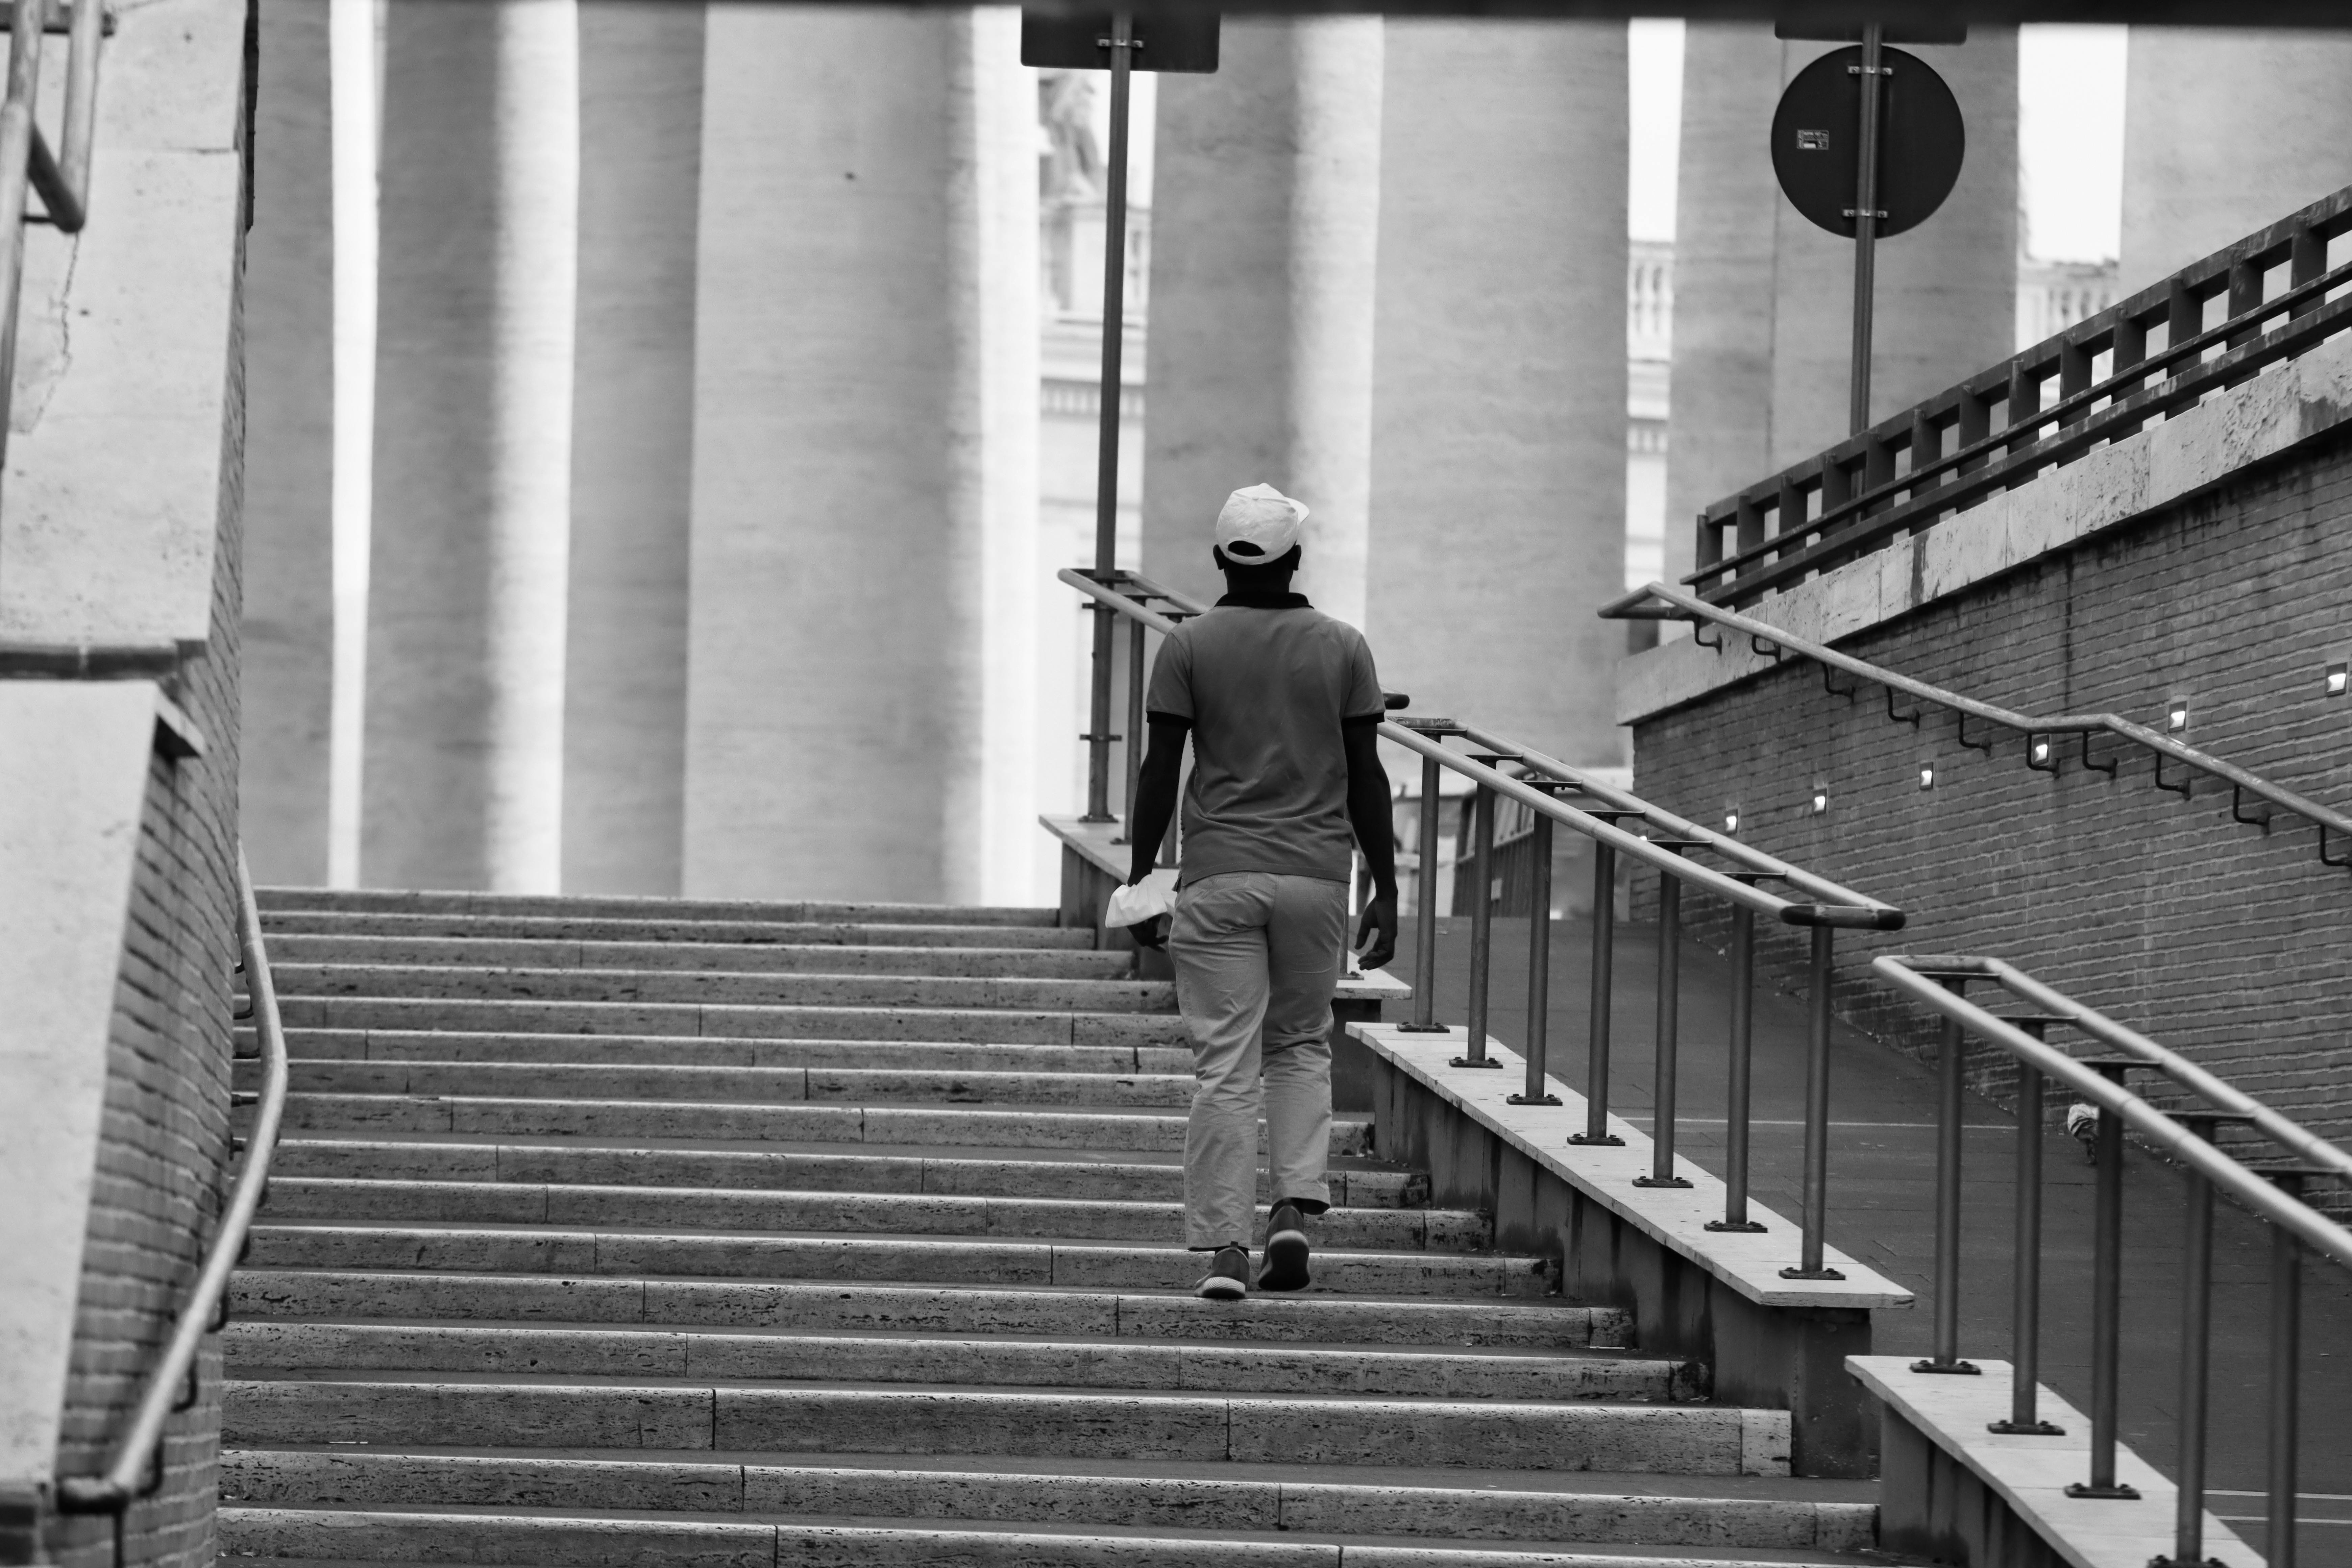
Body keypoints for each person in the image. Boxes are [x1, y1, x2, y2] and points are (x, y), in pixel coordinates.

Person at [1124, 482, 1399, 1301]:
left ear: (1219, 560)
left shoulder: (1188, 646)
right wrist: (1385, 885)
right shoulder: (1345, 647)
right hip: (1316, 878)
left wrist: (1143, 877)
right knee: (1300, 1045)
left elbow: (1159, 769)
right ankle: (1292, 1211)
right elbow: (1368, 777)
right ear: (1296, 561)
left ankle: (1226, 1253)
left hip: (1219, 877)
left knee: (1225, 1067)